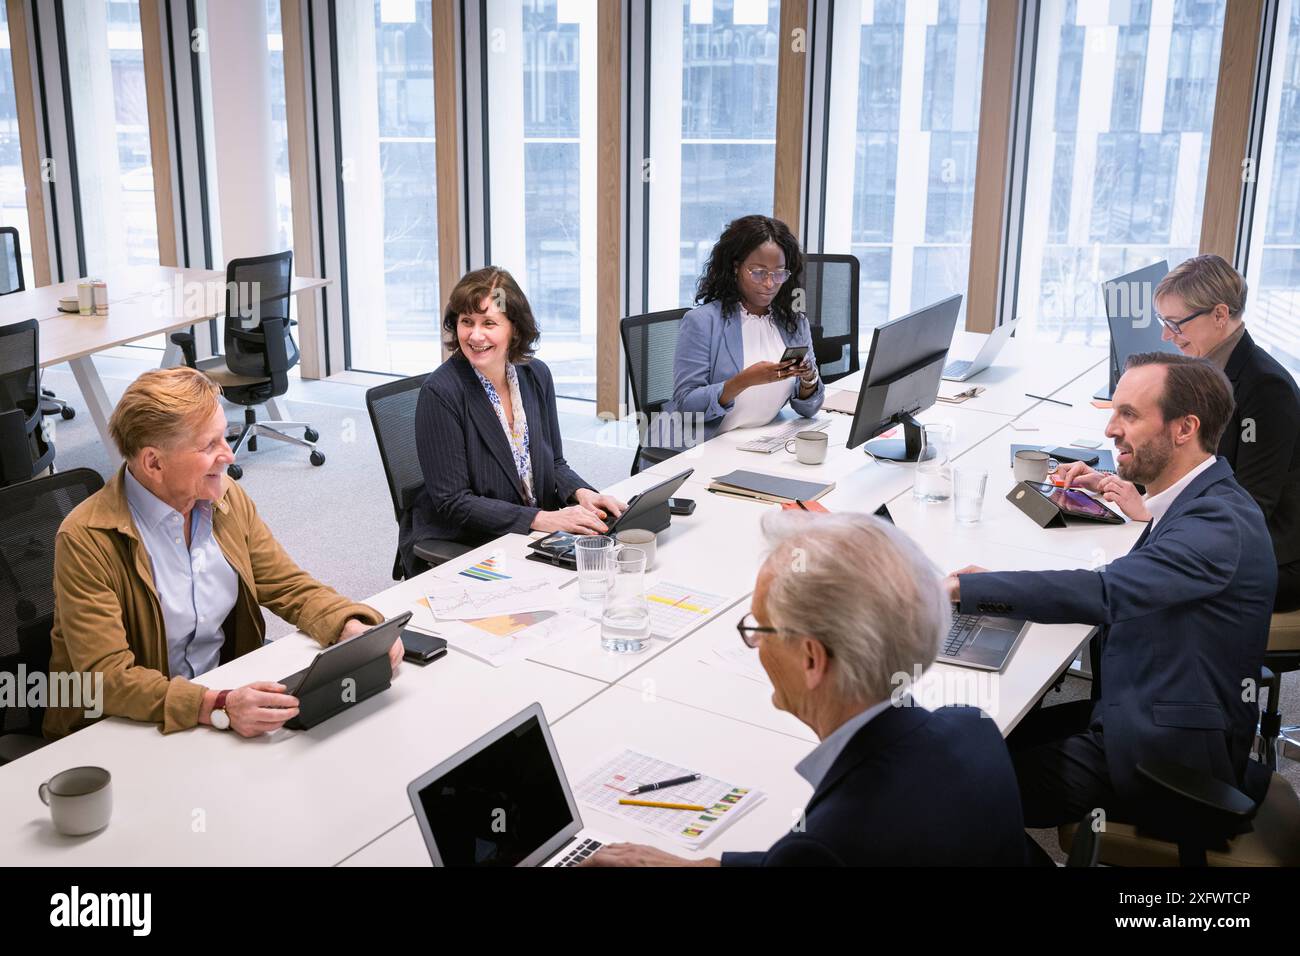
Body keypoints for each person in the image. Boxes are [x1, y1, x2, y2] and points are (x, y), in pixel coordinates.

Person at [948, 353, 1275, 845]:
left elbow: (1105, 591)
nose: (1109, 429)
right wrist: (1138, 507)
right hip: (1139, 705)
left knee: (951, 787)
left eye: (1130, 414)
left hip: (1165, 755)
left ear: (1185, 428)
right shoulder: (1202, 497)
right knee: (972, 735)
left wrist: (967, 588)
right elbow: (1140, 575)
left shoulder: (1217, 526)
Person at [585, 511, 1026, 867]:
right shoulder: (972, 726)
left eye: (759, 629)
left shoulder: (834, 839)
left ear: (812, 659)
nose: (755, 645)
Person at [46, 367, 401, 740]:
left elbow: (288, 586)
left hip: (219, 699)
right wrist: (216, 705)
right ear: (153, 462)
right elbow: (108, 679)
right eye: (209, 445)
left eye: (225, 437)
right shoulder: (86, 539)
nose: (229, 456)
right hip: (124, 728)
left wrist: (351, 627)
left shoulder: (224, 499)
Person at [1078, 255, 1300, 610]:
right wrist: (1112, 483)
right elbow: (1183, 461)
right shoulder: (1207, 369)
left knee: (1132, 587)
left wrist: (1153, 512)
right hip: (1220, 532)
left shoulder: (1266, 389)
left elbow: (1251, 509)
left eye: (1176, 324)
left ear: (1220, 315)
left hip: (1271, 557)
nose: (1167, 335)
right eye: (1163, 322)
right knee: (1119, 574)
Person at [402, 267, 626, 575]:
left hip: (530, 533)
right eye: (466, 322)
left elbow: (554, 463)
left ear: (515, 329)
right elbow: (454, 503)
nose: (475, 335)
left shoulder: (535, 376)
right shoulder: (441, 393)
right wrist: (542, 519)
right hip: (471, 541)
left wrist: (582, 493)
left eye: (489, 323)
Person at [663, 215, 825, 450]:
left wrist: (809, 378)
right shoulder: (702, 322)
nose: (770, 284)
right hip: (707, 444)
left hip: (766, 439)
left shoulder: (793, 322)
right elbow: (686, 405)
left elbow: (808, 408)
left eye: (779, 273)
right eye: (758, 272)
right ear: (736, 267)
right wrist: (744, 381)